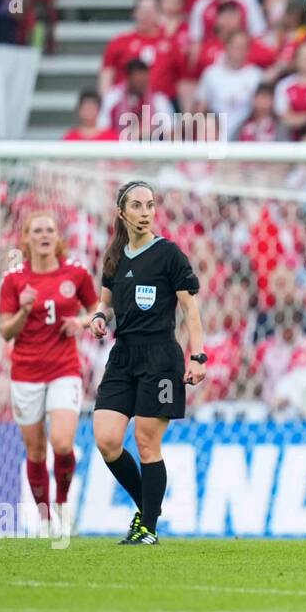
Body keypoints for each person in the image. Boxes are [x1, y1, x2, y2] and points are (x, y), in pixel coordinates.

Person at [89, 181, 206, 545]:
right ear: (121, 212)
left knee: (145, 442)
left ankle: (148, 528)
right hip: (123, 356)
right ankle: (149, 508)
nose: (145, 212)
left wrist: (198, 355)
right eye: (137, 206)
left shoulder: (169, 254)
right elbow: (106, 301)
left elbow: (189, 308)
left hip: (160, 357)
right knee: (106, 439)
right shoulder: (115, 256)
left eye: (150, 205)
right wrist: (98, 316)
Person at [0, 213, 100, 533]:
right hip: (26, 372)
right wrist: (24, 310)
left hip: (64, 369)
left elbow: (98, 308)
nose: (44, 235)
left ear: (57, 237)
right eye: (37, 230)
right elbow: (5, 330)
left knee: (62, 443)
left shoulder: (76, 273)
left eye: (50, 230)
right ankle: (43, 519)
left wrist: (81, 323)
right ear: (26, 238)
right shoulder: (14, 280)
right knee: (36, 450)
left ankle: (63, 504)